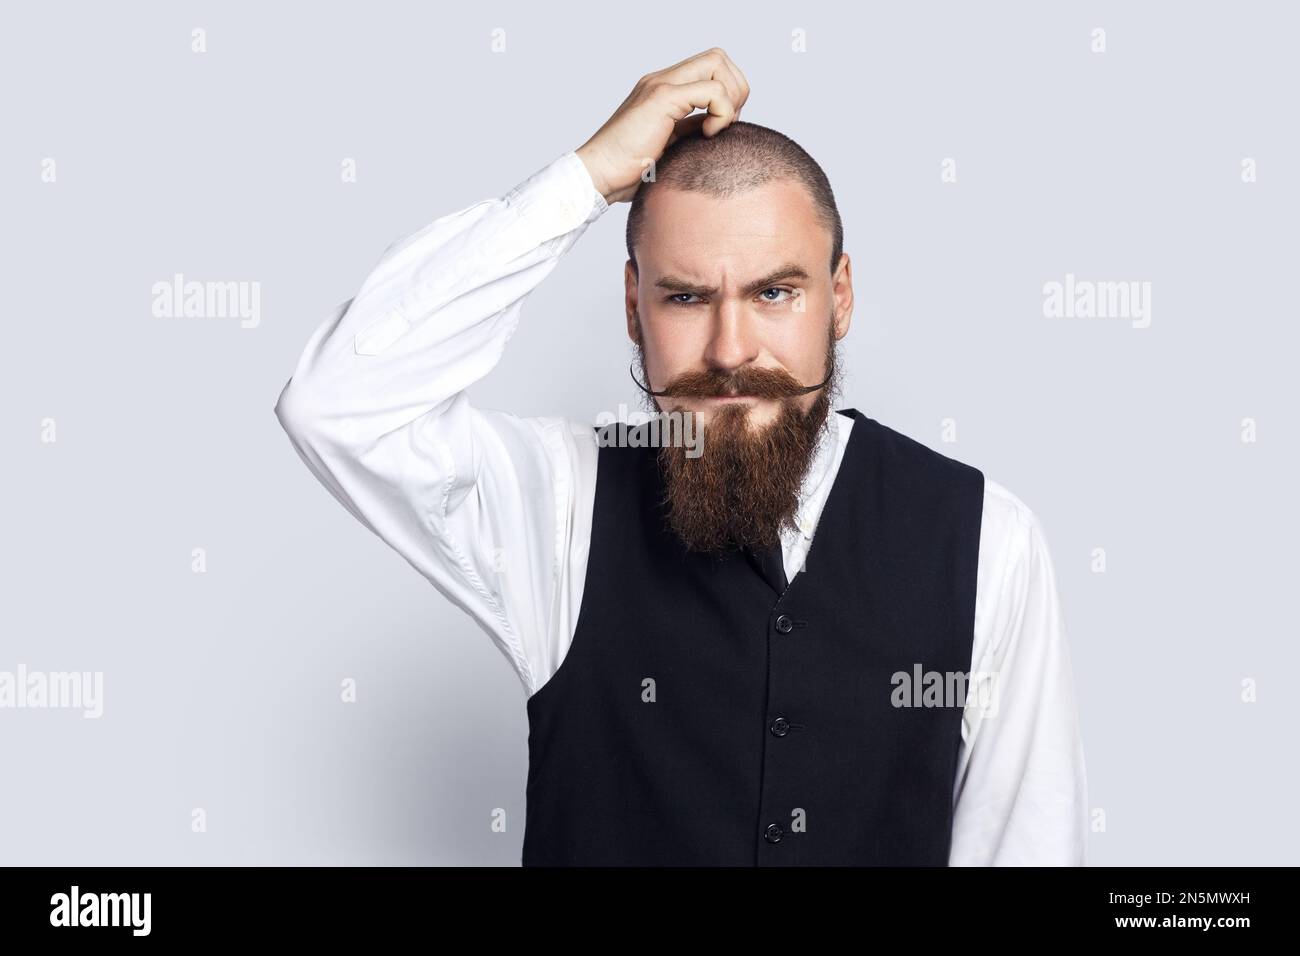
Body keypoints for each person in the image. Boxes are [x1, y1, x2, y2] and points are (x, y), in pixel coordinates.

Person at [274, 47, 1087, 866]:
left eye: (775, 293)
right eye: (687, 297)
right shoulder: (559, 506)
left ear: (839, 297)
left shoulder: (987, 539)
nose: (731, 351)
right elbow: (337, 403)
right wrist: (587, 176)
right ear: (634, 306)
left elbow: (1027, 849)